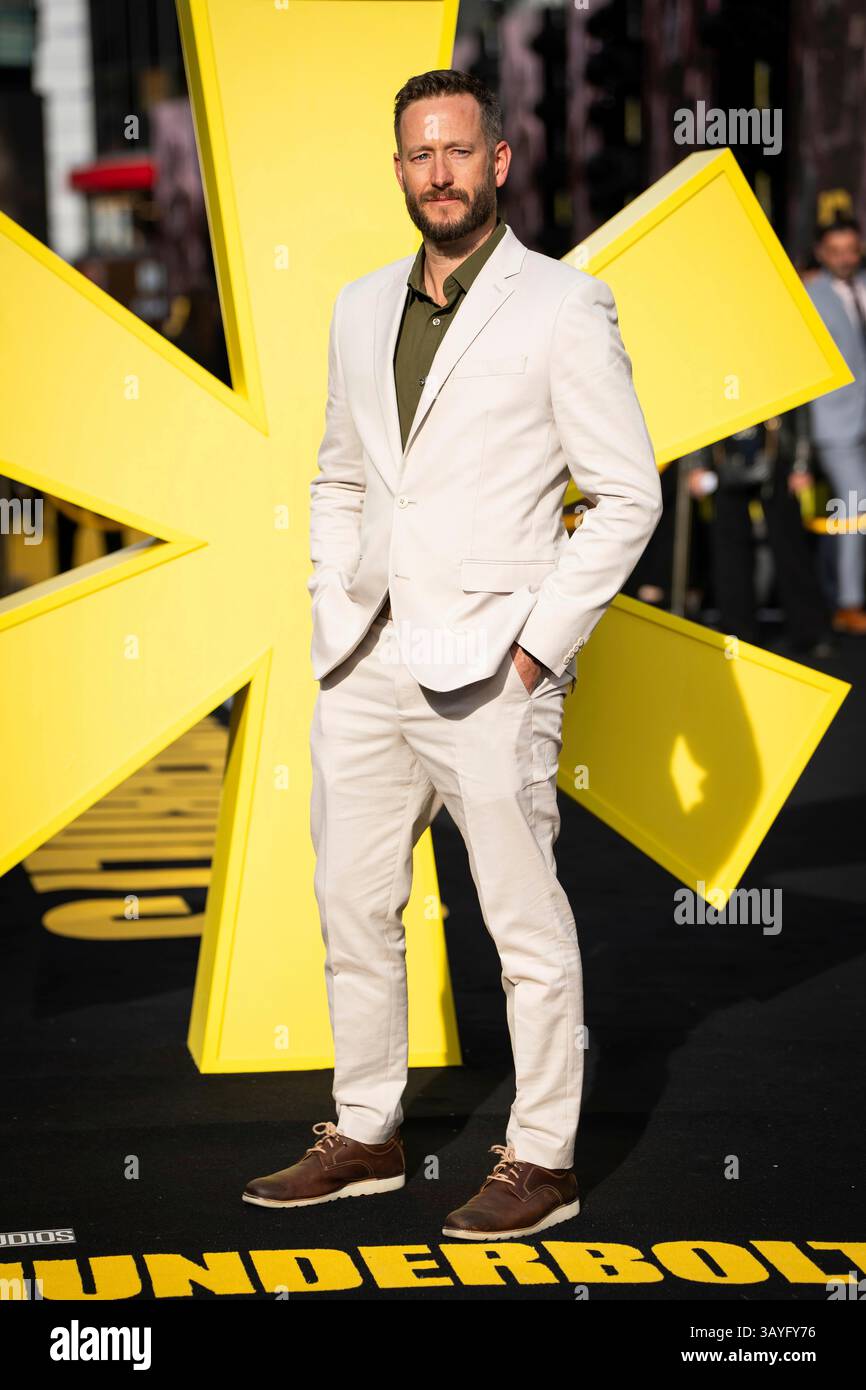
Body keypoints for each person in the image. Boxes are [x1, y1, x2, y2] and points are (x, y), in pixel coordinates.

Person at [243, 69, 662, 1239]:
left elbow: (627, 496)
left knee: (520, 924)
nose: (438, 172)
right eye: (418, 154)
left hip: (491, 668)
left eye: (457, 151)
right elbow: (338, 470)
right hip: (366, 661)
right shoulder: (357, 304)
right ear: (398, 168)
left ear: (498, 162)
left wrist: (537, 649)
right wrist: (335, 606)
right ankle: (365, 1131)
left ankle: (542, 1159)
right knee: (351, 906)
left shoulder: (562, 306)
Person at [684, 409, 834, 658]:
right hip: (724, 453)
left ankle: (811, 630)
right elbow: (699, 401)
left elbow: (799, 405)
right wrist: (697, 463)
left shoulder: (783, 367)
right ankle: (736, 630)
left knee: (791, 548)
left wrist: (802, 462)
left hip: (776, 450)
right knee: (729, 551)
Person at [804, 216, 866, 634]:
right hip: (835, 423)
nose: (846, 258)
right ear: (821, 254)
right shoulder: (809, 294)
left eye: (852, 249)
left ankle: (840, 590)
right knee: (856, 507)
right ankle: (848, 602)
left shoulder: (862, 285)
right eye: (837, 251)